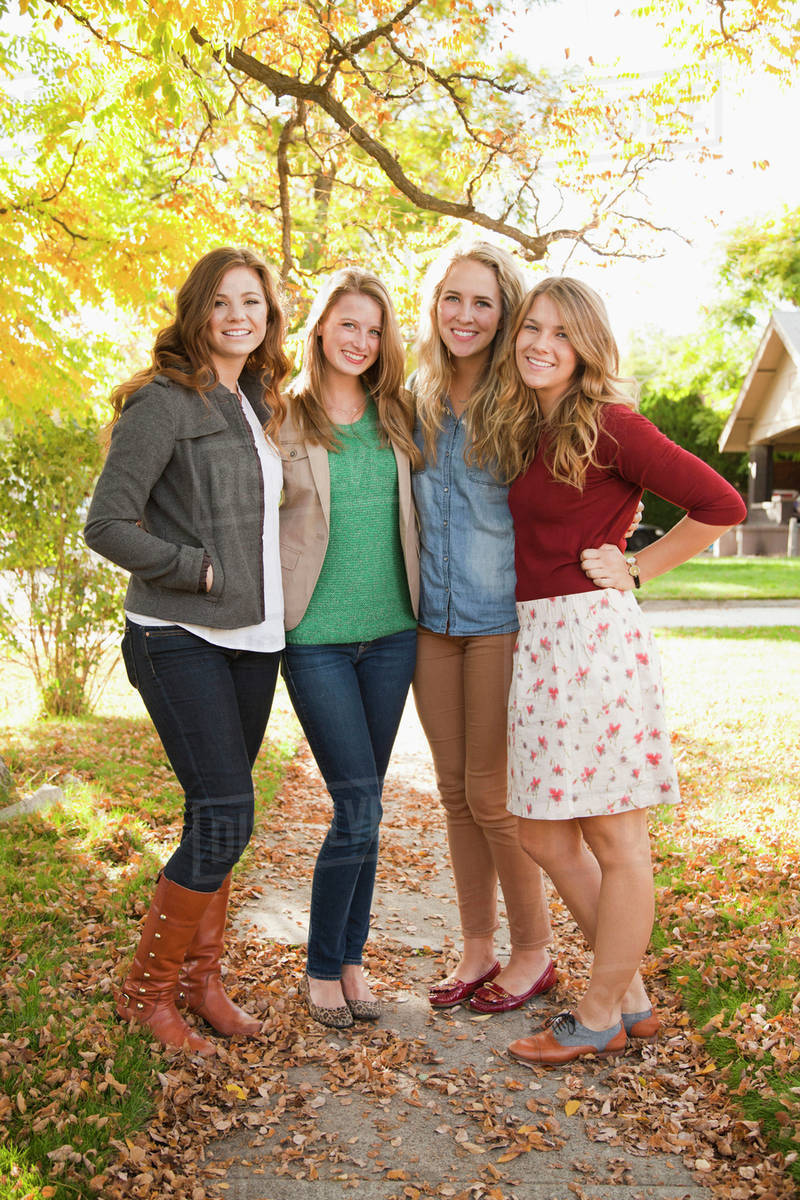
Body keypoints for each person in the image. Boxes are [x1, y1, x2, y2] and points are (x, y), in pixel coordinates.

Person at [484, 277, 746, 1066]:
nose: (539, 344)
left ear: (586, 348)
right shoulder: (532, 425)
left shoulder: (610, 425)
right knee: (540, 830)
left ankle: (600, 1012)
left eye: (560, 334)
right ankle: (626, 995)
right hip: (543, 642)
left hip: (592, 642)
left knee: (616, 835)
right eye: (532, 328)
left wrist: (638, 566)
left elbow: (721, 503)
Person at [85, 246, 290, 1056]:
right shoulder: (163, 401)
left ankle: (201, 982)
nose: (240, 316)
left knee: (215, 815)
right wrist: (193, 569)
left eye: (254, 303)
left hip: (255, 641)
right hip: (181, 636)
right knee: (229, 813)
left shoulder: (257, 403)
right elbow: (106, 524)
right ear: (196, 311)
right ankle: (148, 992)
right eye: (222, 303)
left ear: (270, 318)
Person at [410, 242, 557, 1015]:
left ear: (503, 314)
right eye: (453, 300)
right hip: (431, 622)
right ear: (435, 307)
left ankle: (534, 950)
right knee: (453, 792)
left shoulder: (525, 397)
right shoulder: (413, 395)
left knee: (493, 796)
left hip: (499, 617)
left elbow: (586, 472)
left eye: (483, 303)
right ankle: (477, 946)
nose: (466, 316)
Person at [278, 267, 420, 1029]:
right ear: (321, 328)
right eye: (348, 324)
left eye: (373, 328)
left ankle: (353, 957)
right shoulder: (283, 418)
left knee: (366, 804)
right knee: (357, 804)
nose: (360, 340)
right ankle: (322, 965)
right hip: (316, 641)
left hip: (394, 636)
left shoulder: (398, 417)